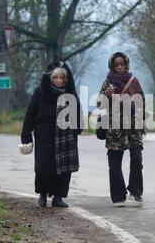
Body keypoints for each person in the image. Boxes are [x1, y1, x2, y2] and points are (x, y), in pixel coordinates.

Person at [21, 60, 83, 208]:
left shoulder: (71, 94)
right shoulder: (39, 93)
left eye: (62, 78)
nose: (59, 81)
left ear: (66, 79)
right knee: (44, 167)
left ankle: (58, 197)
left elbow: (78, 114)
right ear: (50, 79)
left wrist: (76, 130)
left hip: (66, 136)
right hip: (45, 135)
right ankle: (42, 194)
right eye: (56, 78)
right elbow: (30, 114)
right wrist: (26, 136)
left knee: (64, 169)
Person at [97, 52, 146, 207]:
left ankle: (136, 192)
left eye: (122, 64)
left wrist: (142, 120)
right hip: (115, 128)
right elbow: (99, 103)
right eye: (116, 65)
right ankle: (118, 196)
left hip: (133, 127)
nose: (119, 67)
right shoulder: (108, 83)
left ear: (126, 65)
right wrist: (106, 95)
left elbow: (141, 101)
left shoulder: (133, 81)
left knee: (137, 160)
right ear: (112, 66)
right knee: (115, 163)